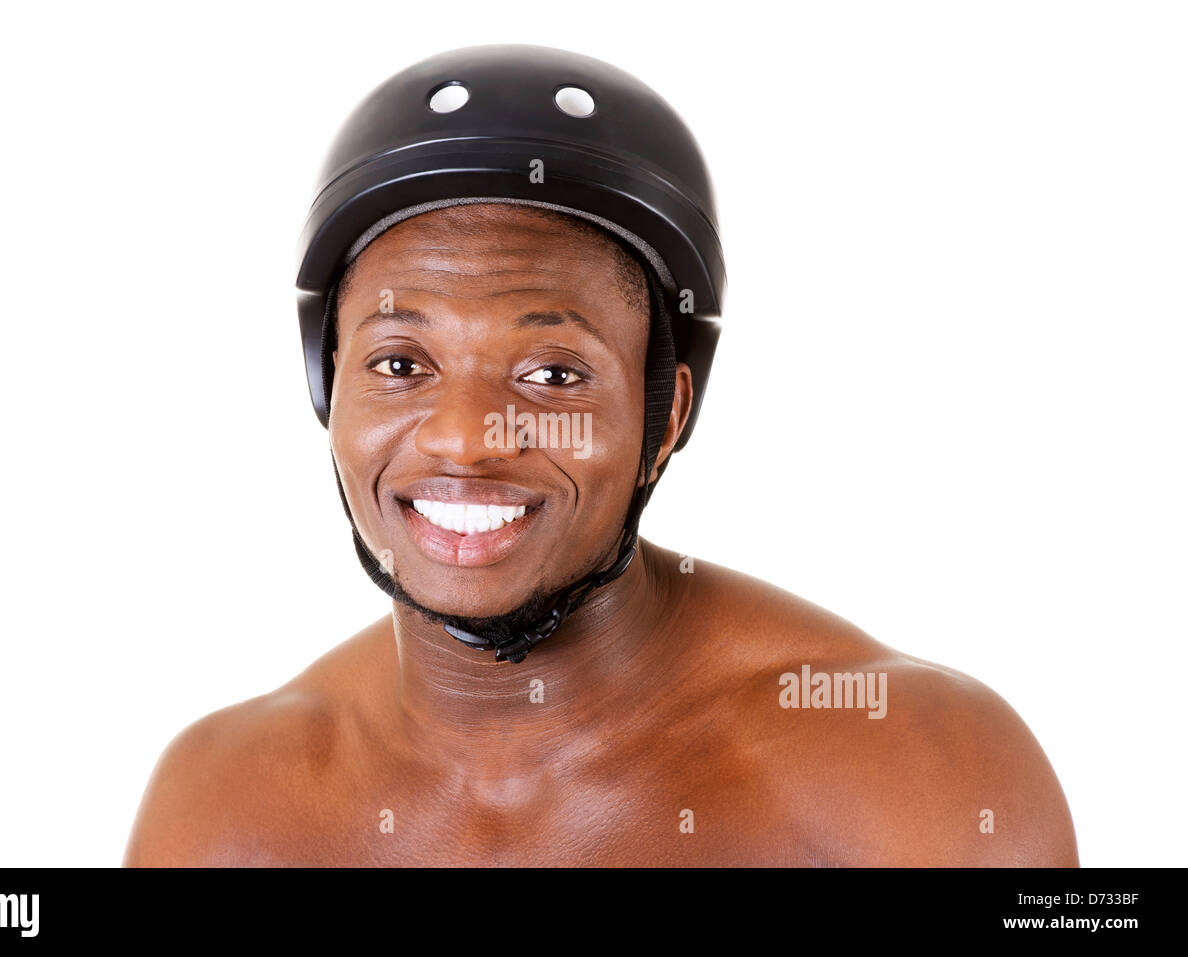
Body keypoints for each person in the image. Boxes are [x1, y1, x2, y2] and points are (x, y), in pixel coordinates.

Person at [123, 44, 1078, 866]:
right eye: (401, 361)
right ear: (325, 389)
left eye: (553, 373)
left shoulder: (919, 767)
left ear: (666, 417)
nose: (464, 436)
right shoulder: (220, 813)